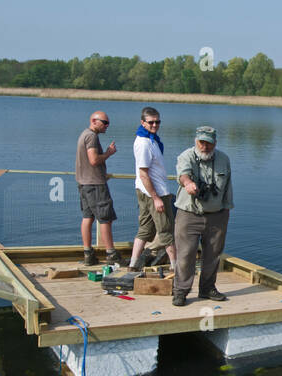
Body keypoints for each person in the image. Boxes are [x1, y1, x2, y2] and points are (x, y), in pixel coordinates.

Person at [172, 125, 233, 307]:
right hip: (189, 214)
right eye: (201, 142)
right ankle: (181, 291)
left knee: (213, 255)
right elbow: (183, 174)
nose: (204, 146)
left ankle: (207, 289)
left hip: (217, 215)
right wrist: (189, 183)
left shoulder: (224, 159)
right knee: (185, 255)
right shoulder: (186, 156)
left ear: (215, 142)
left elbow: (228, 187)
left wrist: (226, 210)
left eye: (208, 143)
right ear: (195, 141)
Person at [128, 107, 175, 271]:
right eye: (151, 122)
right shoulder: (143, 143)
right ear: (143, 122)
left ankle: (133, 265)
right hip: (154, 193)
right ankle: (176, 267)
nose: (155, 125)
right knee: (166, 230)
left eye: (157, 122)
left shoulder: (151, 139)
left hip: (147, 191)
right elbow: (143, 174)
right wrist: (156, 198)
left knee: (145, 230)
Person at [75, 110, 122, 267]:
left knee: (87, 217)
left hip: (84, 183)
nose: (107, 126)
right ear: (94, 121)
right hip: (95, 184)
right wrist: (108, 153)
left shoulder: (84, 134)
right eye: (105, 122)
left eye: (108, 123)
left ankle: (88, 254)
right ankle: (111, 253)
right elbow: (94, 160)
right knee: (105, 218)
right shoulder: (91, 136)